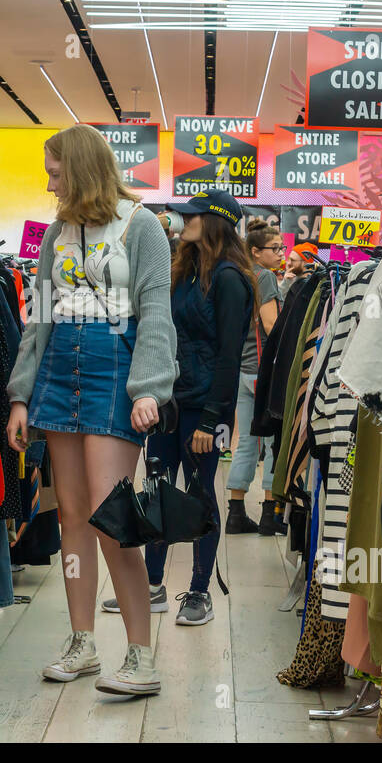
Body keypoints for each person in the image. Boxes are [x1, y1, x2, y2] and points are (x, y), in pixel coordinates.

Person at [6, 124, 177, 695]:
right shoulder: (59, 232)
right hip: (60, 371)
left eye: (55, 171)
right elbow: (40, 317)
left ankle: (140, 655)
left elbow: (156, 312)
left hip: (114, 373)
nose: (49, 181)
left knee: (112, 521)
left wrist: (150, 387)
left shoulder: (141, 225)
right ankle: (82, 643)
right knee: (72, 518)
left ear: (81, 170)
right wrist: (21, 395)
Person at [103, 189, 254, 627]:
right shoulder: (183, 271)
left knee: (202, 492)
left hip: (207, 409)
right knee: (158, 488)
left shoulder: (229, 279)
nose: (181, 219)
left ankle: (200, 590)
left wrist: (212, 419)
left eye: (192, 214)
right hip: (171, 401)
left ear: (214, 221)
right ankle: (152, 585)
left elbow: (229, 357)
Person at [226, 219, 286, 536]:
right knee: (273, 443)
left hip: (241, 369)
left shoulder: (238, 275)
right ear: (255, 251)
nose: (281, 254)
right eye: (275, 249)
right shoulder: (265, 278)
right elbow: (271, 325)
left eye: (282, 248)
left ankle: (236, 513)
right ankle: (269, 514)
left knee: (247, 444)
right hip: (264, 372)